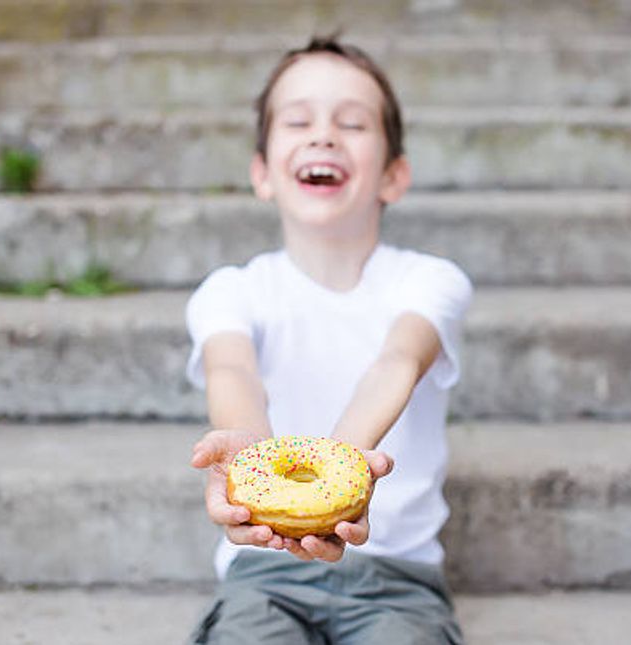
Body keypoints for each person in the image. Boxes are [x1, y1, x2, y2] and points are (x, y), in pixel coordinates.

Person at [184, 34, 472, 644]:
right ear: (262, 172)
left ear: (394, 175)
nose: (323, 135)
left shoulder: (429, 281)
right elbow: (232, 371)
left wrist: (342, 469)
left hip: (398, 579)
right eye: (298, 120)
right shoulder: (231, 291)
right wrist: (246, 453)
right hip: (261, 575)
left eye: (352, 122)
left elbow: (397, 360)